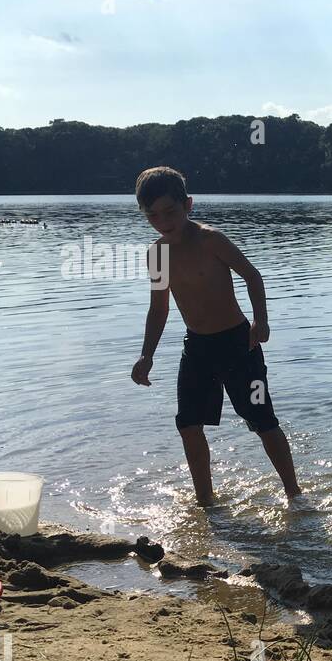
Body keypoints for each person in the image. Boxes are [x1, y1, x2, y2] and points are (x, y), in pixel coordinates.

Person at [129, 166, 302, 506]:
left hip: (240, 346)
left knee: (261, 418)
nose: (163, 221)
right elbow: (159, 309)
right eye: (152, 215)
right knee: (188, 424)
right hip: (198, 349)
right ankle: (206, 502)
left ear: (188, 205)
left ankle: (294, 494)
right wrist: (146, 355)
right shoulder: (158, 254)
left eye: (170, 212)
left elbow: (253, 276)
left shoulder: (211, 239)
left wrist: (260, 321)